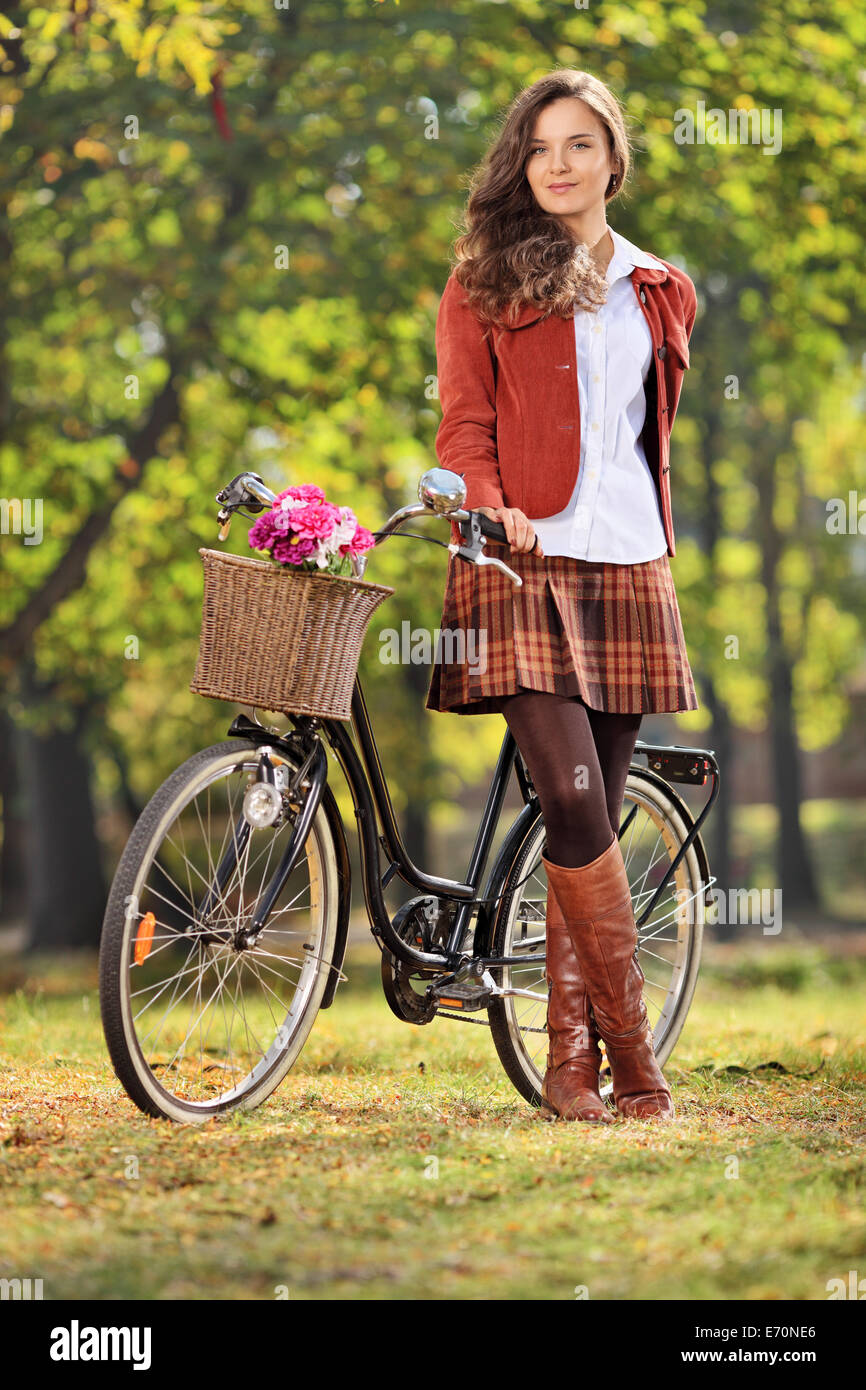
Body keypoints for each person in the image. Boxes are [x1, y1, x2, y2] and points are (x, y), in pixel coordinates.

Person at [425, 69, 699, 1124]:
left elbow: (646, 437)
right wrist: (491, 508)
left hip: (627, 564)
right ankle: (630, 1061)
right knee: (573, 800)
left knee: (590, 818)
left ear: (611, 162)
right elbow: (462, 424)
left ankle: (569, 1061)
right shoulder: (482, 278)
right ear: (519, 161)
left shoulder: (658, 288)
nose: (555, 163)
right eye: (538, 146)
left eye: (577, 144)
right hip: (514, 558)